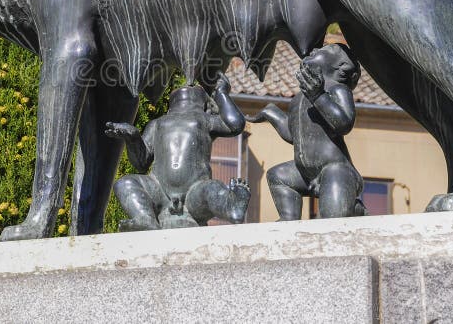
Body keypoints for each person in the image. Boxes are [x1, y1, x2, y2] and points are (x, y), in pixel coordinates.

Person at [106, 73, 250, 231]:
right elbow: (142, 162)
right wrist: (132, 137)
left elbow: (235, 125)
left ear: (206, 105)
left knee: (212, 188)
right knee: (124, 183)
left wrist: (222, 93)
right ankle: (145, 218)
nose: (185, 90)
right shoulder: (156, 124)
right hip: (160, 192)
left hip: (194, 193)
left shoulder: (204, 119)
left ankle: (232, 207)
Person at [248, 44, 367, 220]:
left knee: (332, 218)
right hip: (304, 172)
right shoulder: (298, 99)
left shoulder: (337, 90)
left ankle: (355, 209)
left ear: (341, 68)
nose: (314, 50)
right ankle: (289, 219)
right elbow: (294, 135)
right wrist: (271, 113)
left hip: (335, 169)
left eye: (323, 50)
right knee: (278, 176)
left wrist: (318, 96)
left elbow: (344, 123)